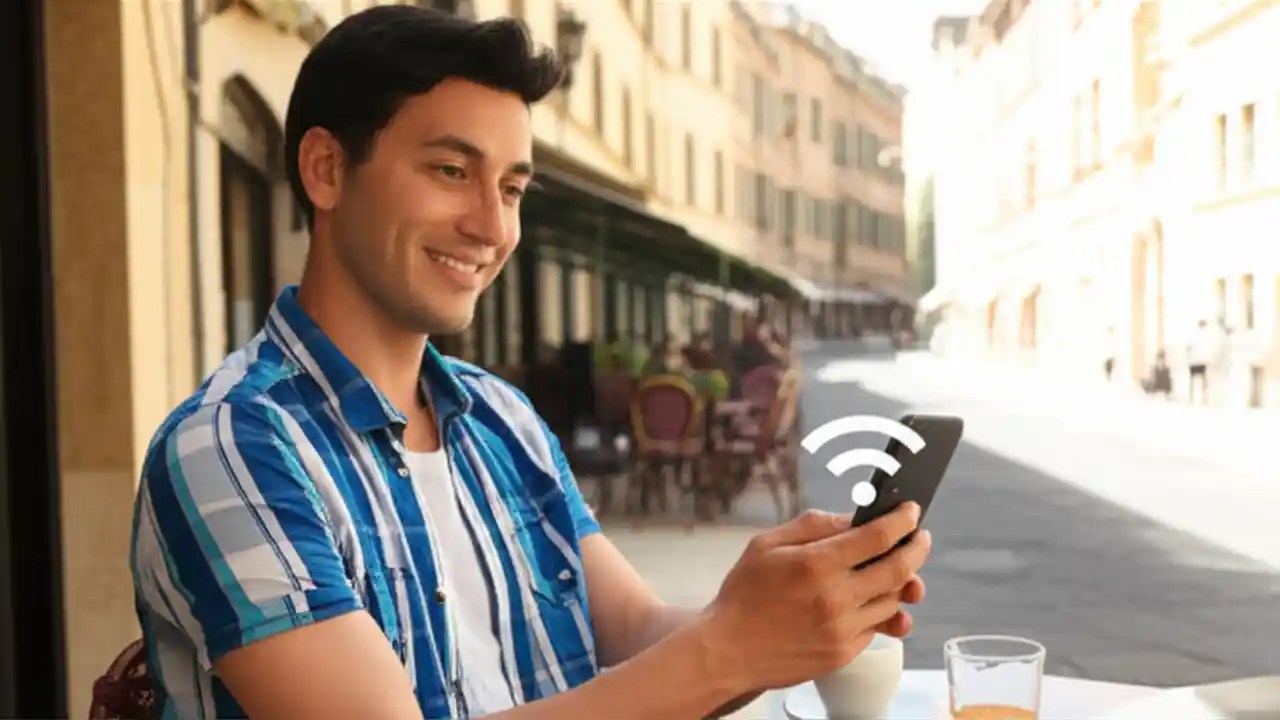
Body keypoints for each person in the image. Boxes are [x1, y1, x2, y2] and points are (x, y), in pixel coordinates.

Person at [128, 7, 931, 720]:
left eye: (511, 188)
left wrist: (780, 610)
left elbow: (638, 635)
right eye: (451, 171)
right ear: (326, 170)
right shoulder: (231, 448)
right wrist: (733, 645)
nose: (491, 225)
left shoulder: (501, 420)